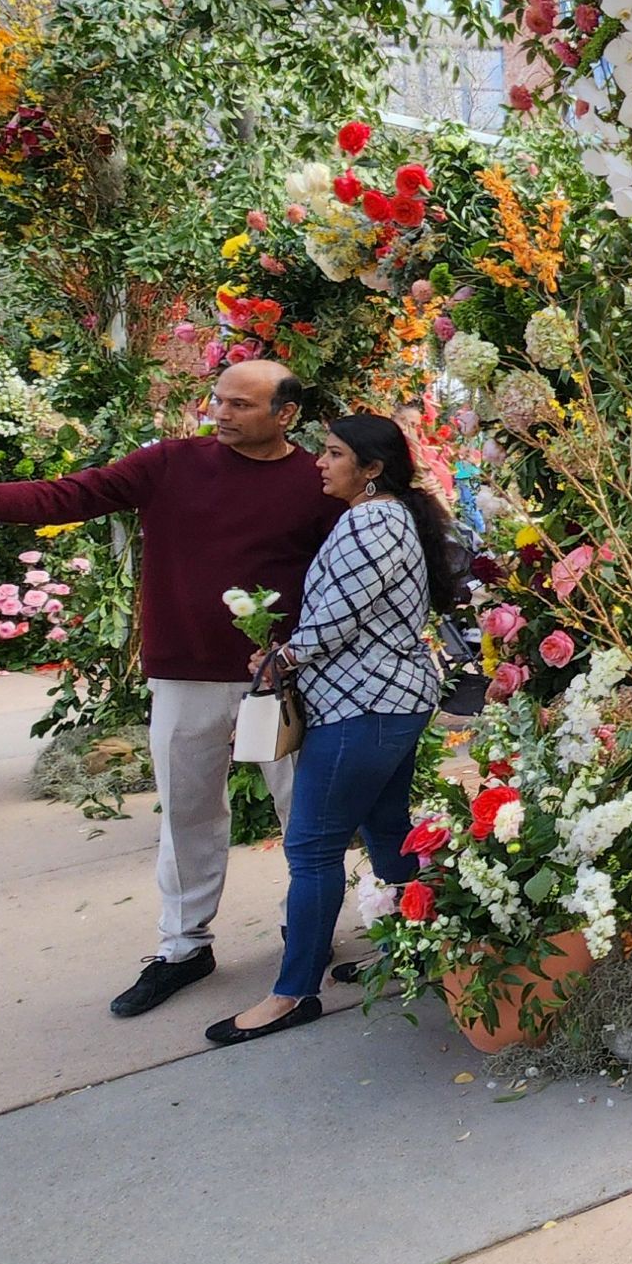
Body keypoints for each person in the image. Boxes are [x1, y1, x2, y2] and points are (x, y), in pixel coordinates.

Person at [0, 360, 341, 1018]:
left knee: (306, 814)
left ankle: (311, 936)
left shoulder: (316, 480)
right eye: (217, 400)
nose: (220, 413)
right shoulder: (171, 463)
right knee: (187, 814)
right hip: (185, 671)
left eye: (240, 404)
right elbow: (63, 495)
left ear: (285, 413)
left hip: (282, 677)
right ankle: (183, 948)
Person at [207, 413, 459, 1046]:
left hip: (364, 705)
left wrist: (281, 656)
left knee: (313, 847)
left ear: (371, 469)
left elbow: (334, 621)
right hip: (384, 700)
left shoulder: (371, 519)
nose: (319, 461)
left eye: (333, 452)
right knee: (388, 835)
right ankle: (418, 951)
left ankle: (293, 993)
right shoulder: (390, 515)